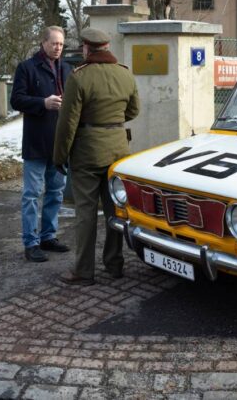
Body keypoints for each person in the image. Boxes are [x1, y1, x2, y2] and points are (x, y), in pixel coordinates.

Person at [53, 28, 140, 286]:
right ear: (106, 47)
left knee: (86, 213)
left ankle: (83, 271)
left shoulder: (79, 77)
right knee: (115, 210)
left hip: (87, 153)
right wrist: (112, 122)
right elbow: (133, 110)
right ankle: (114, 264)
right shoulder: (125, 73)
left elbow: (68, 123)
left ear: (87, 48)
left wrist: (59, 156)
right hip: (118, 149)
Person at [10, 26, 73, 263]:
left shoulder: (67, 69)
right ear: (43, 43)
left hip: (59, 143)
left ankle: (48, 237)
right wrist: (43, 103)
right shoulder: (27, 67)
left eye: (61, 44)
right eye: (54, 43)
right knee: (31, 195)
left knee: (55, 193)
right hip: (36, 142)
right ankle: (31, 243)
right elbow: (16, 100)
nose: (58, 48)